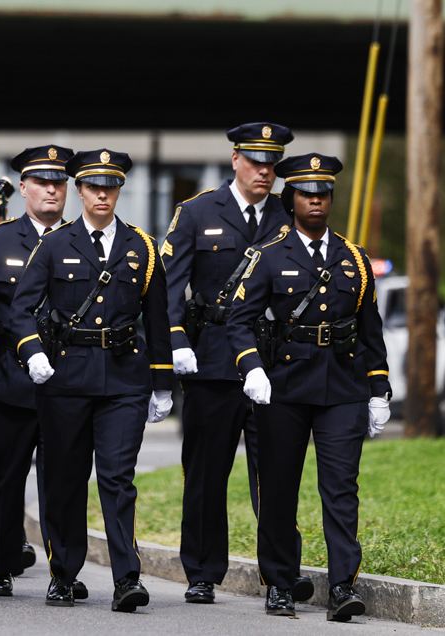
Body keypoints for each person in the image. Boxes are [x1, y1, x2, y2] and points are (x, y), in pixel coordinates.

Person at [226, 153, 390, 621]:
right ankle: (280, 582)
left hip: (342, 386)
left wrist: (379, 389)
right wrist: (251, 368)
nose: (316, 200)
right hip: (283, 386)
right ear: (290, 199)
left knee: (341, 487)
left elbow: (369, 329)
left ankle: (342, 585)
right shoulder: (267, 255)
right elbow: (239, 320)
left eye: (323, 194)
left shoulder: (354, 258)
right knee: (279, 486)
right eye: (306, 193)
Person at [9, 149, 173, 612]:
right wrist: (31, 352)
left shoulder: (141, 245)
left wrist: (162, 384)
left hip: (123, 378)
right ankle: (64, 573)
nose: (102, 193)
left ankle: (127, 577)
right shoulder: (55, 245)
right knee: (64, 478)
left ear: (119, 190)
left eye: (111, 185)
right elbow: (21, 308)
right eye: (93, 186)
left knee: (118, 478)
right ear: (79, 190)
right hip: (65, 377)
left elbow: (158, 320)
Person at [160, 122, 314, 604]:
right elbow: (168, 288)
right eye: (255, 161)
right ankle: (202, 570)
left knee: (277, 471)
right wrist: (176, 341)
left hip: (276, 364)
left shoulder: (291, 216)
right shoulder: (197, 211)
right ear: (235, 160)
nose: (264, 171)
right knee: (206, 470)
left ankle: (280, 575)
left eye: (272, 163)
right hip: (211, 361)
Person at [0, 145, 74, 597]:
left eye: (59, 182)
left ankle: (63, 573)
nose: (51, 189)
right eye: (42, 181)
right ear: (24, 188)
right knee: (5, 477)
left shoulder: (86, 240)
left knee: (63, 482)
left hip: (69, 383)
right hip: (10, 380)